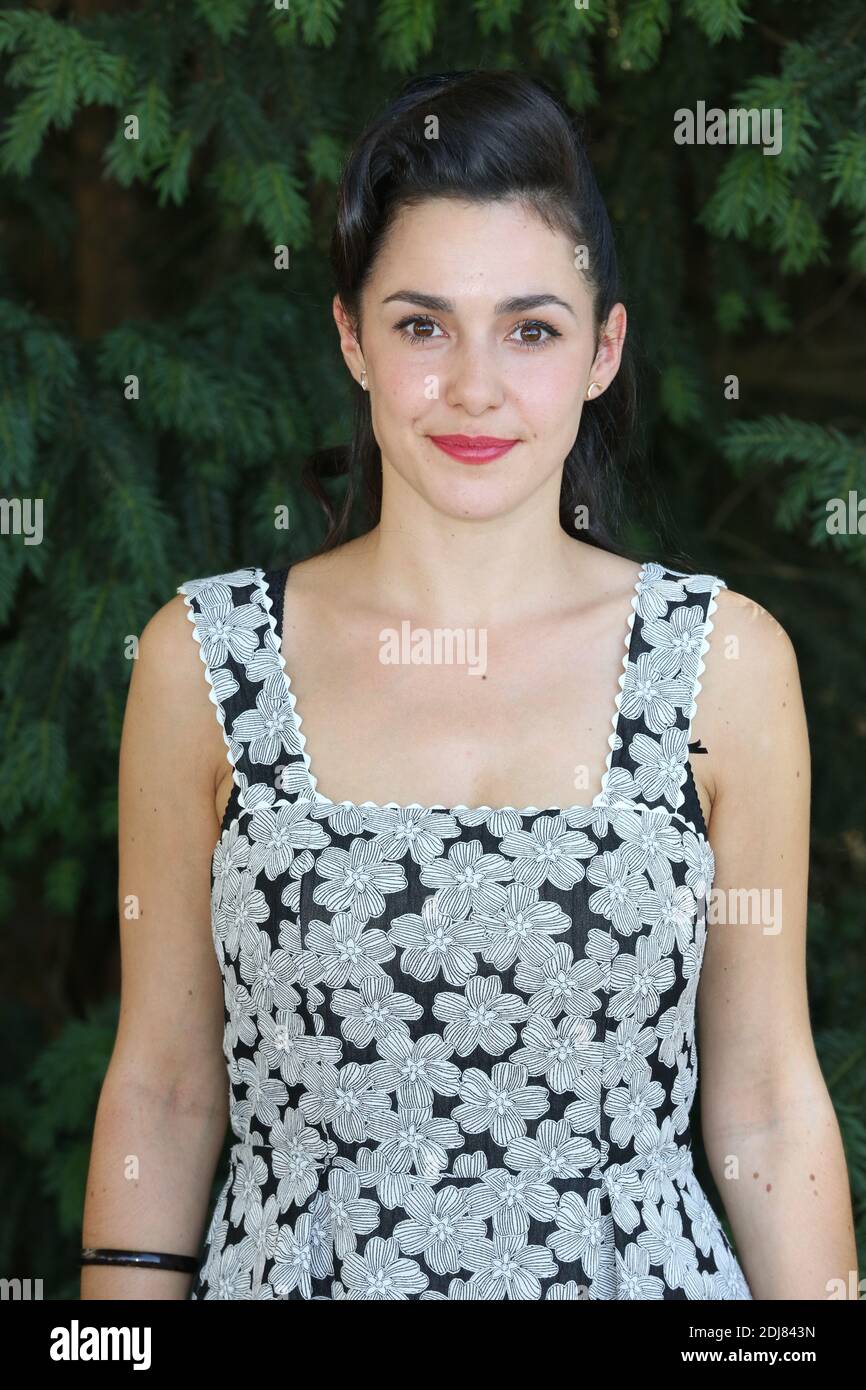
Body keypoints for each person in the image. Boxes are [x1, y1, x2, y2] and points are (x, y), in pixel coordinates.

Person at [81, 69, 856, 1300]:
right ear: (351, 337)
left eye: (531, 329)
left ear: (602, 350)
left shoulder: (723, 663)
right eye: (422, 325)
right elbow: (167, 1090)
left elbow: (763, 1103)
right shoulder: (206, 660)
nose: (475, 388)